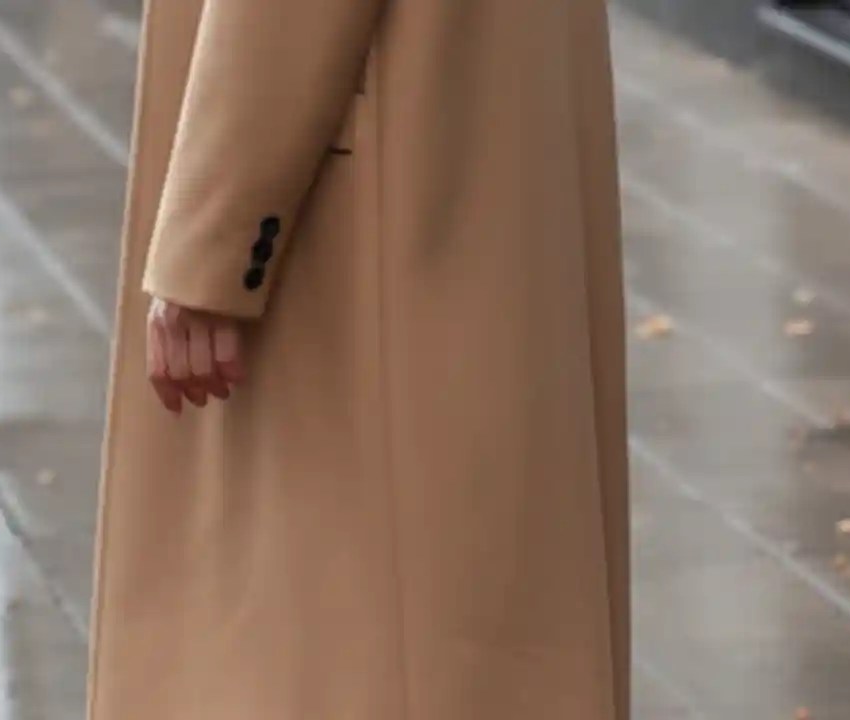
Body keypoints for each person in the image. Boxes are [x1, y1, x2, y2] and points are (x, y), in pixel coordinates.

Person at [87, 1, 628, 718]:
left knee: (337, 638)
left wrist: (210, 248)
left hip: (353, 201)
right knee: (475, 617)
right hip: (462, 162)